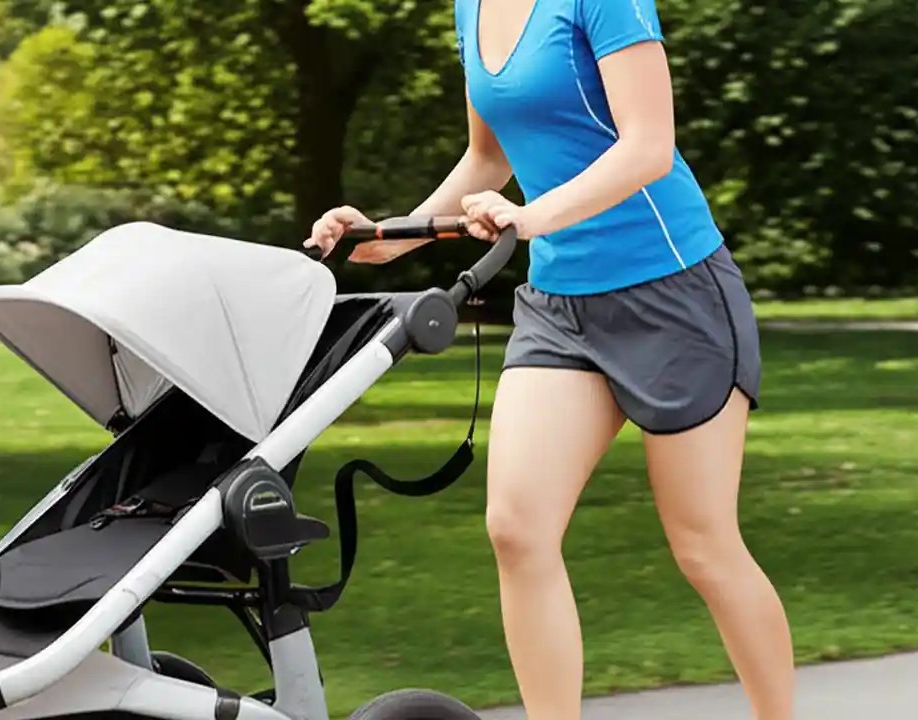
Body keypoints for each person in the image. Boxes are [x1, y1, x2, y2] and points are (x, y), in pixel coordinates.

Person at [304, 0, 795, 718]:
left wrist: (533, 217)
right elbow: (490, 156)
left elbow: (648, 146)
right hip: (562, 307)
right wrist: (391, 234)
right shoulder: (470, 7)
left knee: (704, 545)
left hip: (673, 292)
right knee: (517, 528)